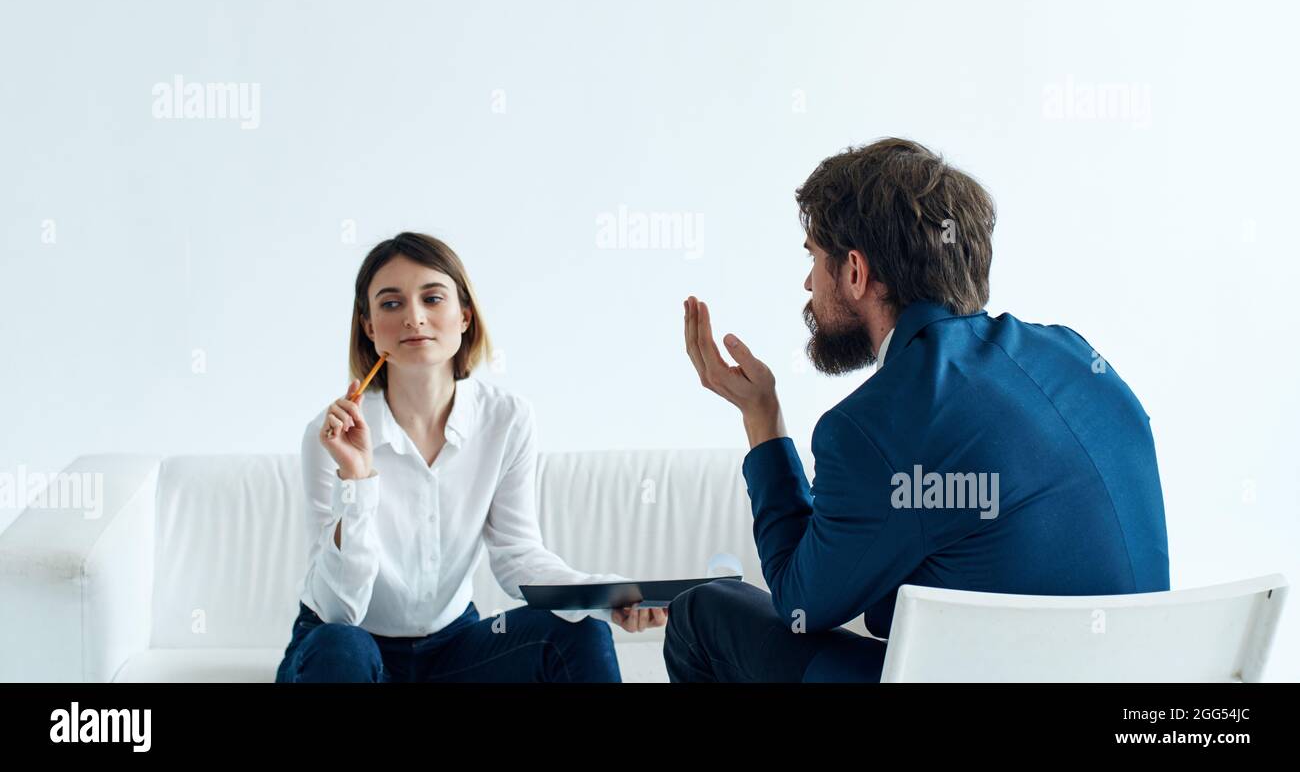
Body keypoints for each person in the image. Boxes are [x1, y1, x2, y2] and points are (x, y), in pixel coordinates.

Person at [665, 137, 1169, 682]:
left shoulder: (873, 426)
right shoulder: (1078, 357)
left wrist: (762, 421)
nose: (808, 283)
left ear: (855, 272)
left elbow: (798, 603)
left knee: (704, 612)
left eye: (813, 257)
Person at [275, 232, 665, 683]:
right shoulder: (330, 435)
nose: (414, 318)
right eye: (391, 304)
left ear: (464, 316)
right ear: (369, 327)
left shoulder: (507, 419)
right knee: (342, 646)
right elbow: (338, 609)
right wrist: (357, 480)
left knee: (580, 633)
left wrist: (604, 598)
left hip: (452, 645)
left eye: (433, 298)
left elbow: (516, 555)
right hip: (343, 647)